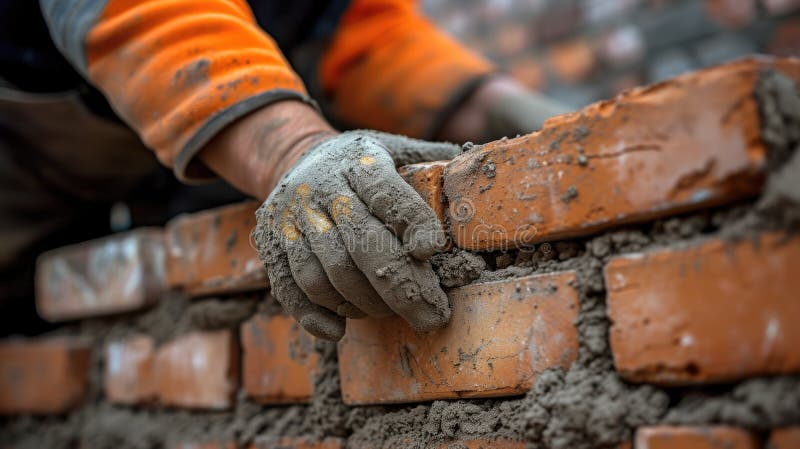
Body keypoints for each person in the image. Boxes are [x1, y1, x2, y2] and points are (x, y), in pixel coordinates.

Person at [0, 0, 567, 338]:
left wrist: (495, 104)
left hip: (153, 171)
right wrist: (293, 148)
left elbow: (361, 38)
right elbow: (151, 17)